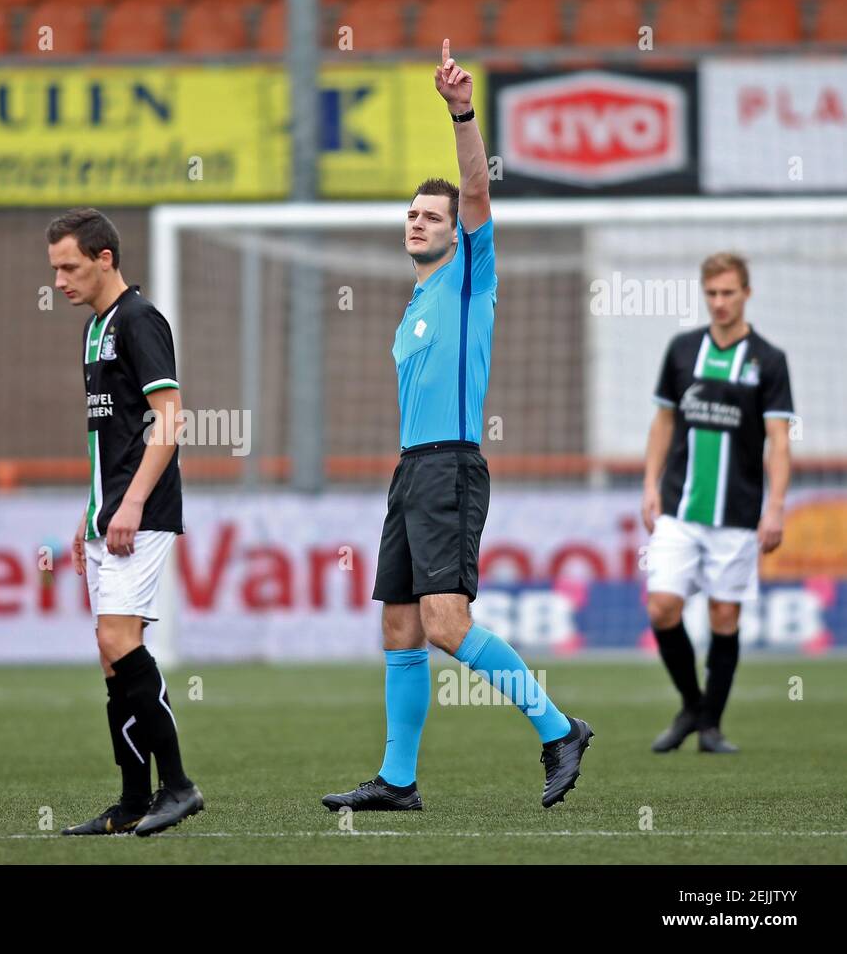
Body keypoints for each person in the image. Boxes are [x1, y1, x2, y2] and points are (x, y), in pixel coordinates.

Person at [322, 41, 593, 814]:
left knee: (446, 623)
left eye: (431, 215)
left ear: (455, 228)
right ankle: (397, 781)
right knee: (401, 627)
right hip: (411, 470)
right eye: (410, 213)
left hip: (449, 467)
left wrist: (461, 112)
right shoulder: (413, 305)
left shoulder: (470, 274)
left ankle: (559, 727)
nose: (418, 222)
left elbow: (476, 185)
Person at [47, 207, 203, 837]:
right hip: (109, 513)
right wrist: (91, 516)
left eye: (70, 266)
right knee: (112, 658)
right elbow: (106, 439)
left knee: (119, 640)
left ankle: (179, 786)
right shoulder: (95, 327)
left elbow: (170, 418)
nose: (59, 280)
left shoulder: (140, 319)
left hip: (141, 511)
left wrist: (132, 503)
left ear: (104, 258)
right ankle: (133, 799)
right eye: (54, 268)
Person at [642, 252, 793, 754]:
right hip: (679, 508)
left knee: (724, 618)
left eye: (729, 292)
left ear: (746, 292)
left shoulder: (768, 360)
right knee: (663, 607)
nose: (720, 302)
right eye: (712, 293)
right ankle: (692, 705)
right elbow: (663, 422)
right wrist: (649, 485)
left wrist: (775, 508)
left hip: (738, 513)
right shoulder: (683, 350)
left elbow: (779, 440)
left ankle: (710, 727)